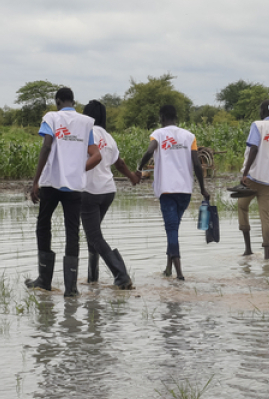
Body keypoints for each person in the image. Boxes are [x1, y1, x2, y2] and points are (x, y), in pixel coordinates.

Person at [27, 87, 102, 298]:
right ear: (73, 101)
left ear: (58, 101)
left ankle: (44, 281)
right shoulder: (86, 122)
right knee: (72, 232)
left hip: (51, 183)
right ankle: (71, 289)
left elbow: (46, 146)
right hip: (75, 185)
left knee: (43, 225)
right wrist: (78, 169)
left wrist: (35, 181)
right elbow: (92, 151)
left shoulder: (51, 117)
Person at [138, 104, 210, 281]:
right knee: (174, 228)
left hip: (167, 190)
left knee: (171, 229)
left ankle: (179, 274)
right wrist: (202, 188)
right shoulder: (189, 136)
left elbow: (149, 151)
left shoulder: (158, 134)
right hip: (185, 191)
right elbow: (197, 165)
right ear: (175, 117)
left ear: (162, 117)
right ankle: (168, 268)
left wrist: (138, 169)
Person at [80, 100, 139, 290]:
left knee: (95, 236)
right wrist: (131, 177)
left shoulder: (86, 133)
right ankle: (92, 277)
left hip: (90, 190)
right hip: (108, 191)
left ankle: (121, 275)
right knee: (93, 236)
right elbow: (119, 163)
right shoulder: (108, 137)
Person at [238, 100, 269, 259]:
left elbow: (254, 148)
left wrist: (245, 173)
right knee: (266, 217)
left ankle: (248, 249)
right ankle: (267, 256)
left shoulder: (258, 125)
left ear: (262, 111)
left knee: (242, 207)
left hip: (253, 177)